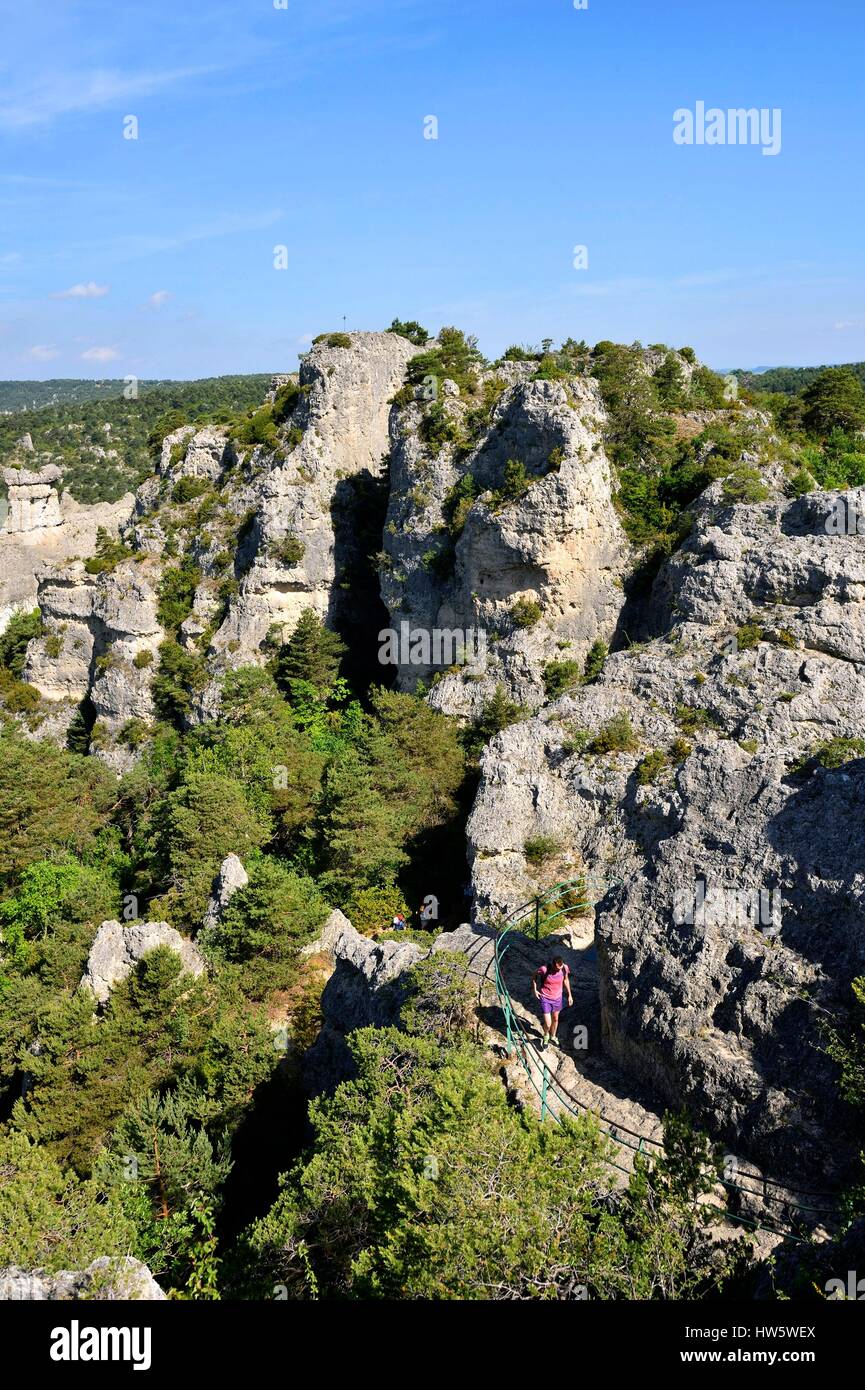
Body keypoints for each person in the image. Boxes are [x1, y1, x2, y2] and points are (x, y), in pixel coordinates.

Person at [531, 955, 573, 1050]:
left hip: (557, 998)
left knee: (556, 1019)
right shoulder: (544, 969)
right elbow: (534, 976)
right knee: (548, 1023)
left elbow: (566, 980)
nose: (559, 970)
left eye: (560, 968)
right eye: (557, 968)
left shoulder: (564, 968)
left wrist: (569, 995)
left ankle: (553, 1036)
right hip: (545, 998)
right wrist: (534, 989)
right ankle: (546, 1035)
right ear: (553, 965)